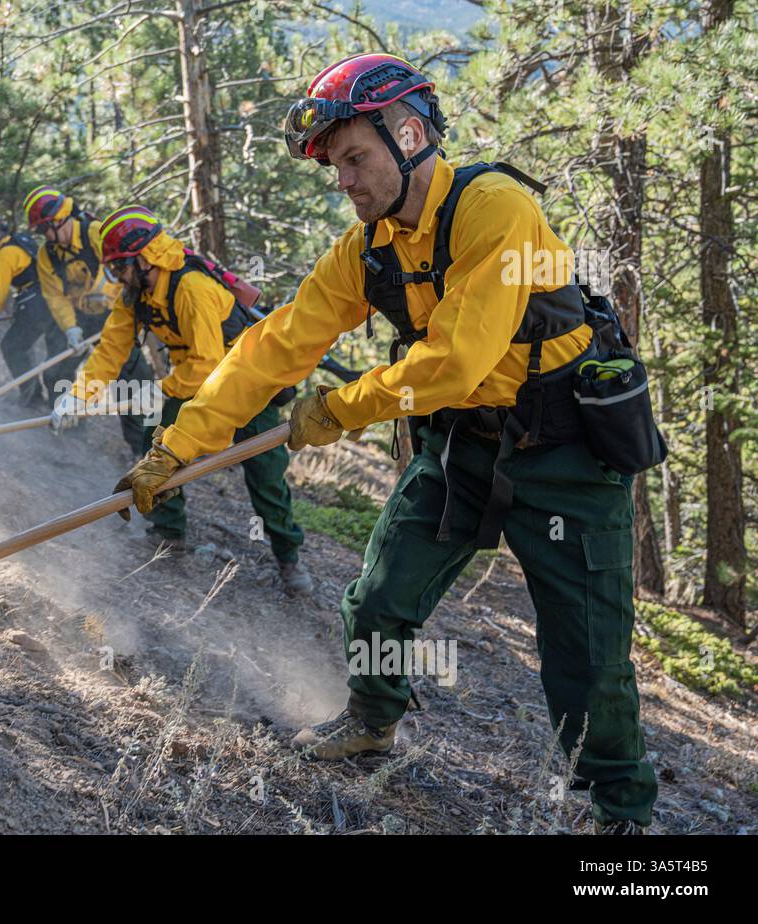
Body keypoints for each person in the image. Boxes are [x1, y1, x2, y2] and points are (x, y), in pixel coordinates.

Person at [115, 53, 657, 833]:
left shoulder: (492, 207)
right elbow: (273, 346)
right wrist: (179, 445)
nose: (344, 179)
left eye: (355, 157)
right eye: (335, 165)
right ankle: (373, 719)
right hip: (460, 443)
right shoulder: (365, 250)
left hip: (567, 449)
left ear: (409, 134)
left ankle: (621, 814)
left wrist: (340, 407)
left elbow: (458, 359)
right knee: (377, 598)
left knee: (588, 654)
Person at [55, 204, 313, 596]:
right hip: (194, 380)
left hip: (250, 382)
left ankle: (288, 557)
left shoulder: (193, 289)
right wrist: (76, 398)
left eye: (120, 266)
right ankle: (168, 532)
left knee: (264, 471)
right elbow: (110, 351)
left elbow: (210, 363)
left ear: (145, 258)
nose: (117, 276)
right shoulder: (135, 295)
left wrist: (163, 390)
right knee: (158, 443)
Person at [24, 184, 151, 453]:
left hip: (113, 313)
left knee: (131, 375)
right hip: (75, 315)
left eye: (47, 228)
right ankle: (70, 437)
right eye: (40, 231)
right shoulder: (46, 255)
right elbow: (55, 296)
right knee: (56, 372)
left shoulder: (95, 233)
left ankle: (142, 448)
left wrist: (106, 293)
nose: (45, 235)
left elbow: (126, 270)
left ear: (61, 219)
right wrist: (71, 329)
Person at [0, 213, 61, 408]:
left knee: (12, 347)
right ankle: (55, 407)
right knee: (52, 357)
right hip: (55, 301)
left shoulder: (4, 255)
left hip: (37, 305)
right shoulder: (23, 241)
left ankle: (32, 400)